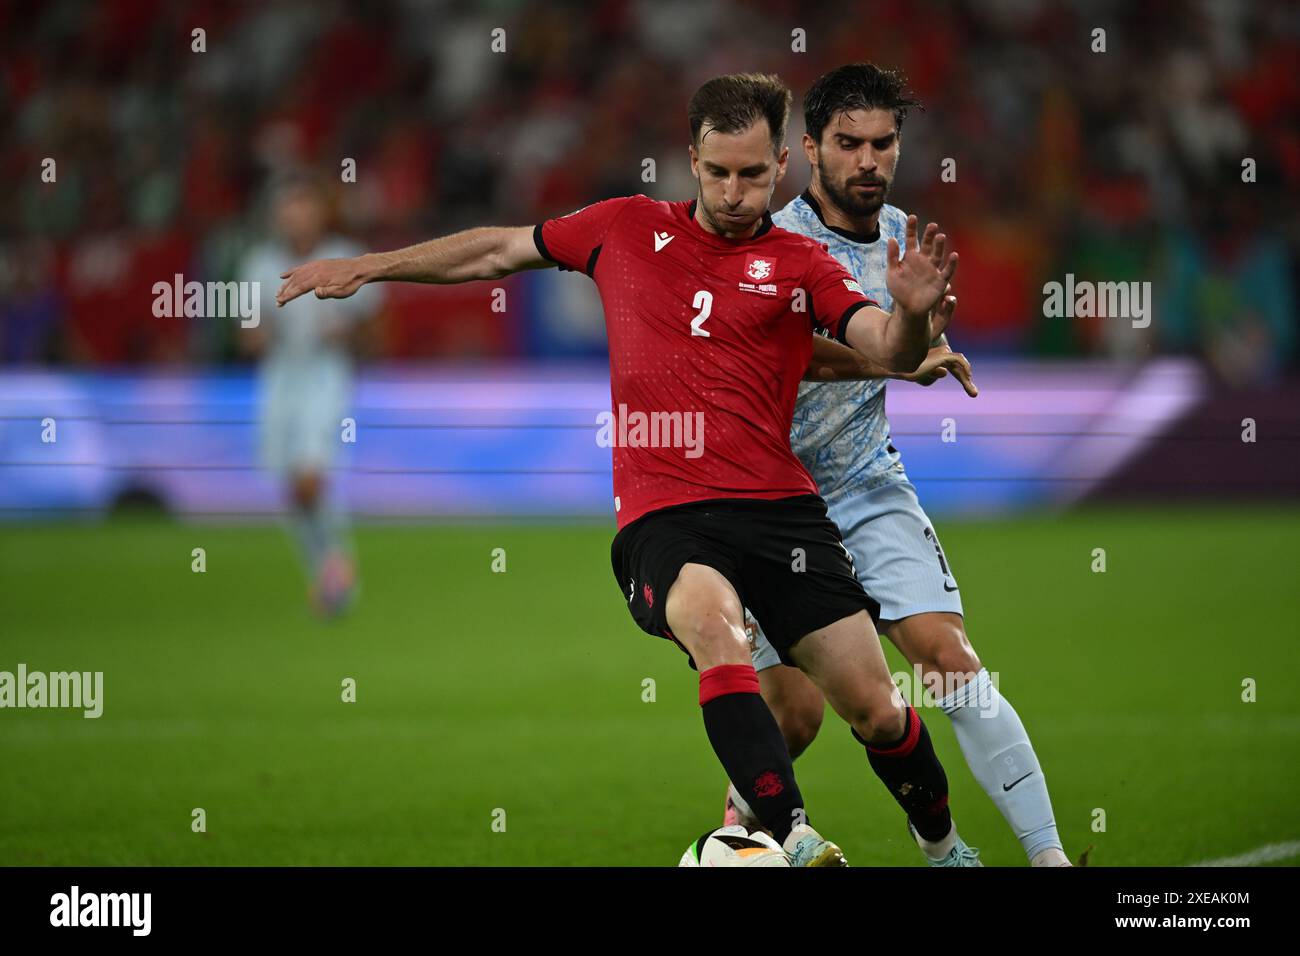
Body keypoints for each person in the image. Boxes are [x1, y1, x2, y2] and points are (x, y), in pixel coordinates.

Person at [276, 73, 978, 866]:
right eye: (718, 172)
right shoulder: (623, 228)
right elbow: (497, 250)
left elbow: (886, 348)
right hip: (665, 515)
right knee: (719, 631)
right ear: (691, 160)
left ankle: (947, 850)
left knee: (878, 708)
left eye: (753, 174)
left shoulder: (801, 262)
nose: (736, 191)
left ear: (783, 164)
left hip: (781, 509)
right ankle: (790, 836)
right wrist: (373, 265)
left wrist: (914, 311)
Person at [724, 63, 1069, 867]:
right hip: (770, 501)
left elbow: (906, 347)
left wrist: (921, 335)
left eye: (883, 144)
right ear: (810, 149)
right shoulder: (769, 245)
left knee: (950, 661)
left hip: (864, 483)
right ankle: (728, 849)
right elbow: (780, 356)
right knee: (794, 716)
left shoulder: (905, 241)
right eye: (849, 144)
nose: (868, 161)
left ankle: (1041, 858)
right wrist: (893, 355)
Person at [241, 174, 374, 616]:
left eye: (304, 207)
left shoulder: (347, 257)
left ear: (319, 213)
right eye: (288, 209)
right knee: (288, 483)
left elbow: (378, 330)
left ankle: (338, 568)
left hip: (324, 375)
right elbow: (246, 334)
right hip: (279, 376)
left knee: (310, 475)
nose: (295, 218)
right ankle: (326, 568)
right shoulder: (259, 264)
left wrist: (349, 333)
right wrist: (256, 336)